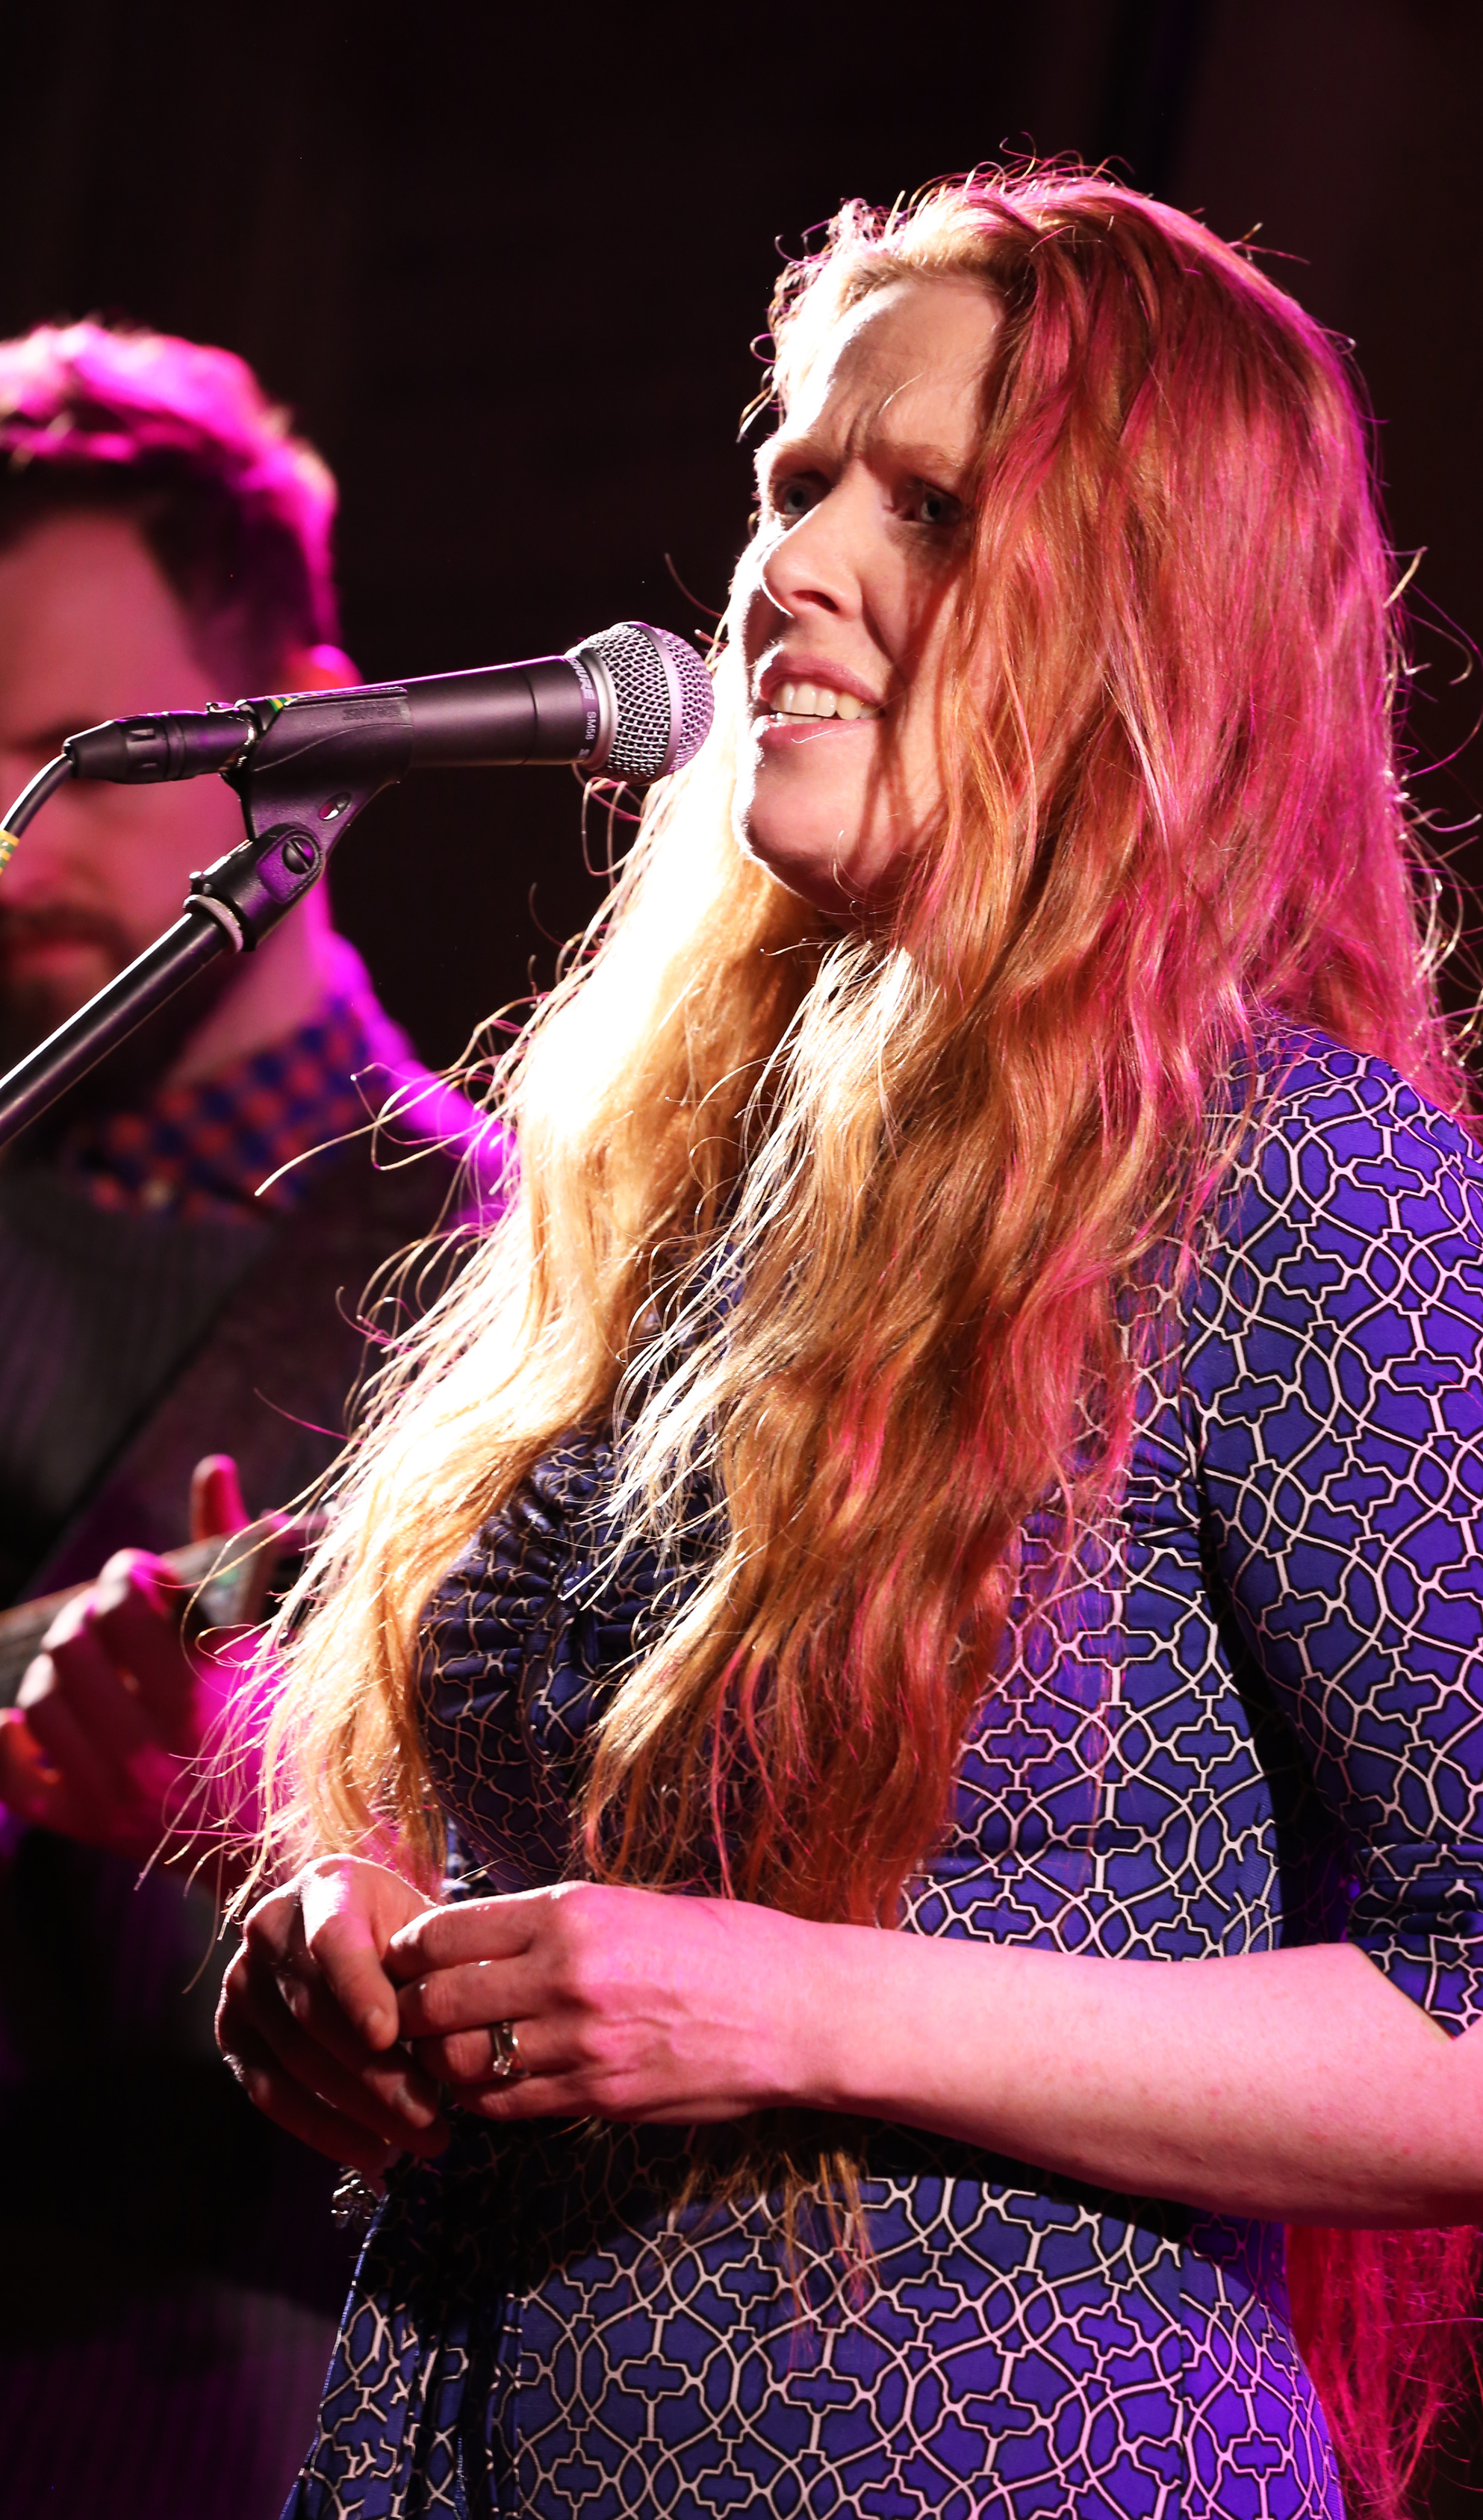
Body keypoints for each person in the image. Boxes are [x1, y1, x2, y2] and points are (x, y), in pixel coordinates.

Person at [187, 169, 1483, 2519]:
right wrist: (346, 1952)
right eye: (793, 480)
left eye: (927, 502)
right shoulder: (677, 1174)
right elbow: (529, 1842)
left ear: (1146, 613)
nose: (788, 566)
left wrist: (792, 2002)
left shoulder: (1294, 1183)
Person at [0, 325, 496, 2519]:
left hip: (161, 2394)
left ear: (303, 735)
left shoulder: (524, 1285)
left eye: (79, 763)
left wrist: (236, 1823)